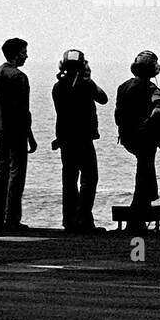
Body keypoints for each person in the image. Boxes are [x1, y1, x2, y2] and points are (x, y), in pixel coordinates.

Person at [51, 49, 108, 232]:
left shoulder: (58, 87)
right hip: (83, 138)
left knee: (69, 179)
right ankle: (84, 219)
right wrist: (88, 77)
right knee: (89, 179)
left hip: (65, 139)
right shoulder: (87, 85)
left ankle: (69, 220)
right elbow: (103, 98)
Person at [0, 37, 36, 230]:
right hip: (17, 130)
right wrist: (30, 137)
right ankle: (12, 218)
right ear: (16, 54)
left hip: (0, 129)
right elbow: (24, 110)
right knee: (17, 173)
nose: (26, 56)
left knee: (1, 171)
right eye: (24, 52)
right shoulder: (19, 77)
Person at [115, 51, 160, 231]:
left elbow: (118, 114)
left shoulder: (123, 86)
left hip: (128, 137)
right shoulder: (152, 89)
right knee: (145, 172)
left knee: (144, 170)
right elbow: (158, 111)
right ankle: (137, 216)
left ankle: (144, 206)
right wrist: (151, 128)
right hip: (145, 137)